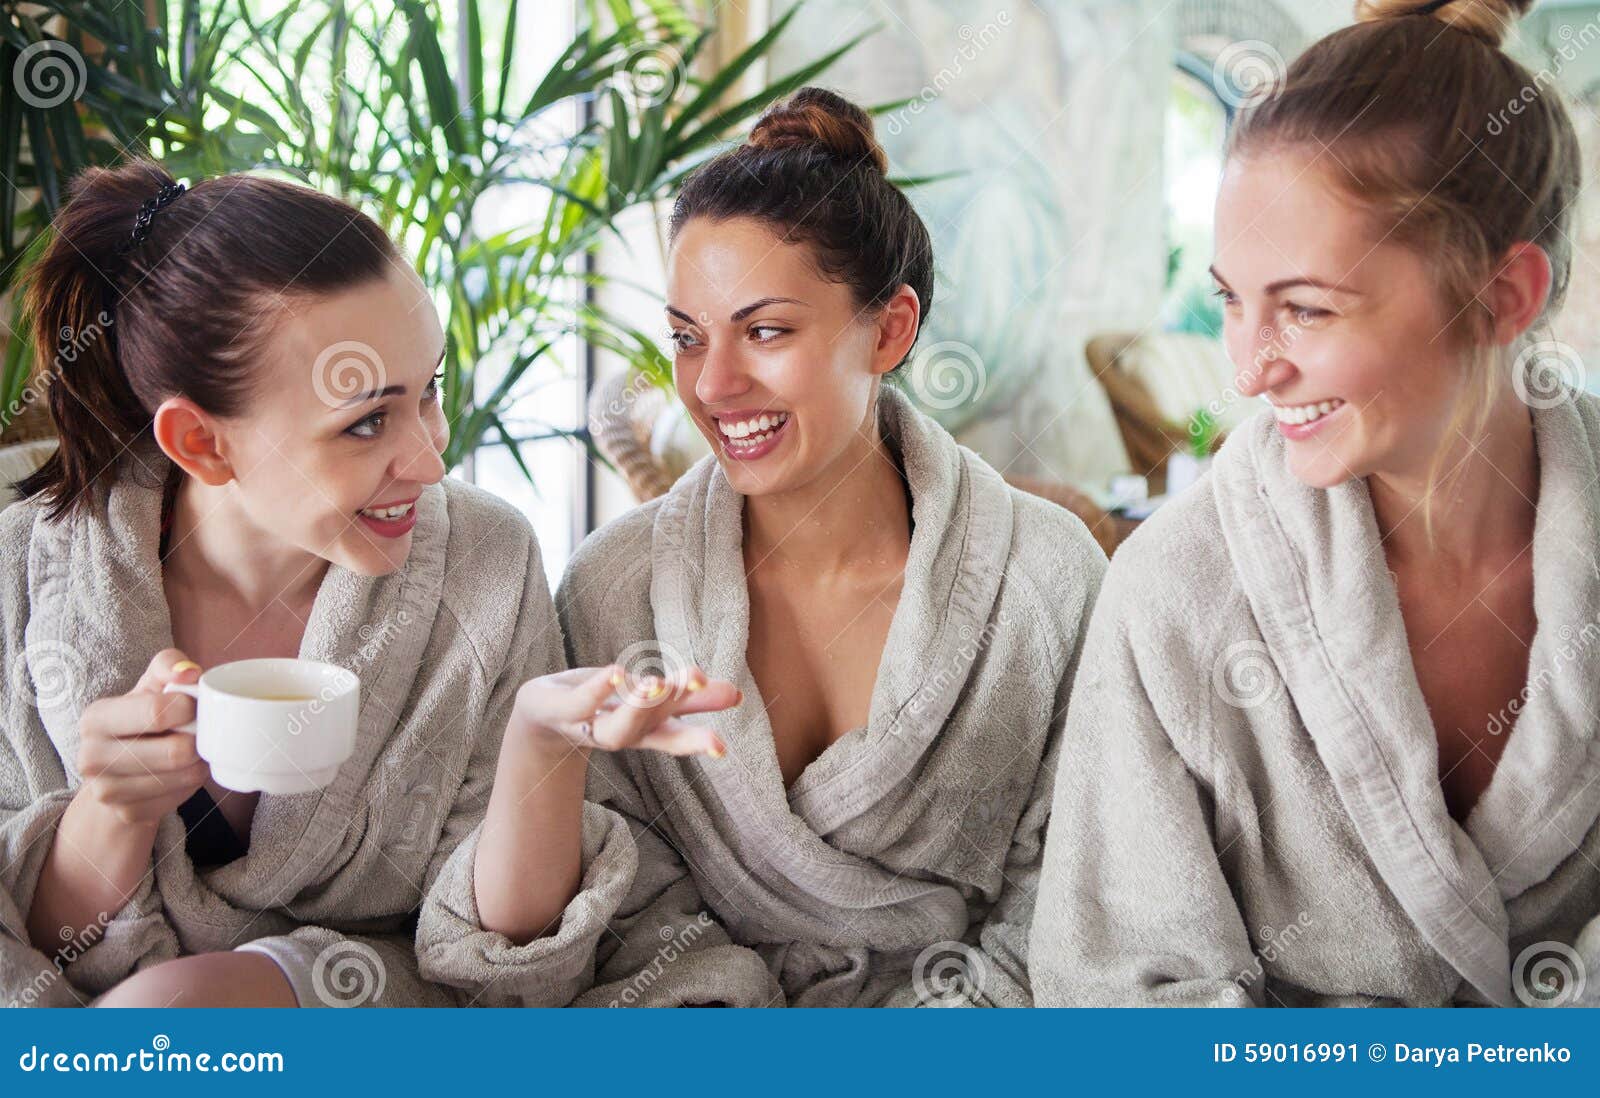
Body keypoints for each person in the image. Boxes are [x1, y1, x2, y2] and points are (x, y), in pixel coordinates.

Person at [417, 88, 1107, 1007]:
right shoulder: (616, 588)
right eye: (687, 339)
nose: (713, 383)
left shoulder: (1044, 579)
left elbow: (1075, 903)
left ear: (890, 330)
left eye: (766, 330)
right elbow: (612, 896)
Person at [1030, 0, 1600, 1007]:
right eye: (1230, 301)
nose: (1248, 372)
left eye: (1303, 308)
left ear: (1503, 295)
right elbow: (1117, 996)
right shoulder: (1173, 591)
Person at [0, 163, 563, 1007]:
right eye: (367, 421)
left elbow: (503, 957)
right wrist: (111, 810)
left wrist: (547, 748)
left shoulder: (487, 564)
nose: (432, 458)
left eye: (430, 391)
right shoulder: (25, 583)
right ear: (200, 442)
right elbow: (34, 960)